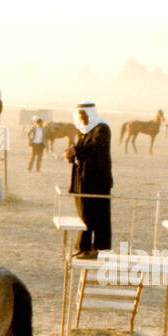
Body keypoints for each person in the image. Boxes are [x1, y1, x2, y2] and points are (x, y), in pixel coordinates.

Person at [64, 102, 112, 259]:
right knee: (84, 215)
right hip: (82, 180)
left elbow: (97, 147)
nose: (82, 118)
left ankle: (96, 248)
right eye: (80, 115)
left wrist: (76, 150)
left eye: (84, 115)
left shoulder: (101, 129)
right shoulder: (83, 131)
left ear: (90, 114)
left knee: (96, 216)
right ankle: (83, 247)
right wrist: (71, 155)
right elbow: (80, 152)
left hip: (97, 180)